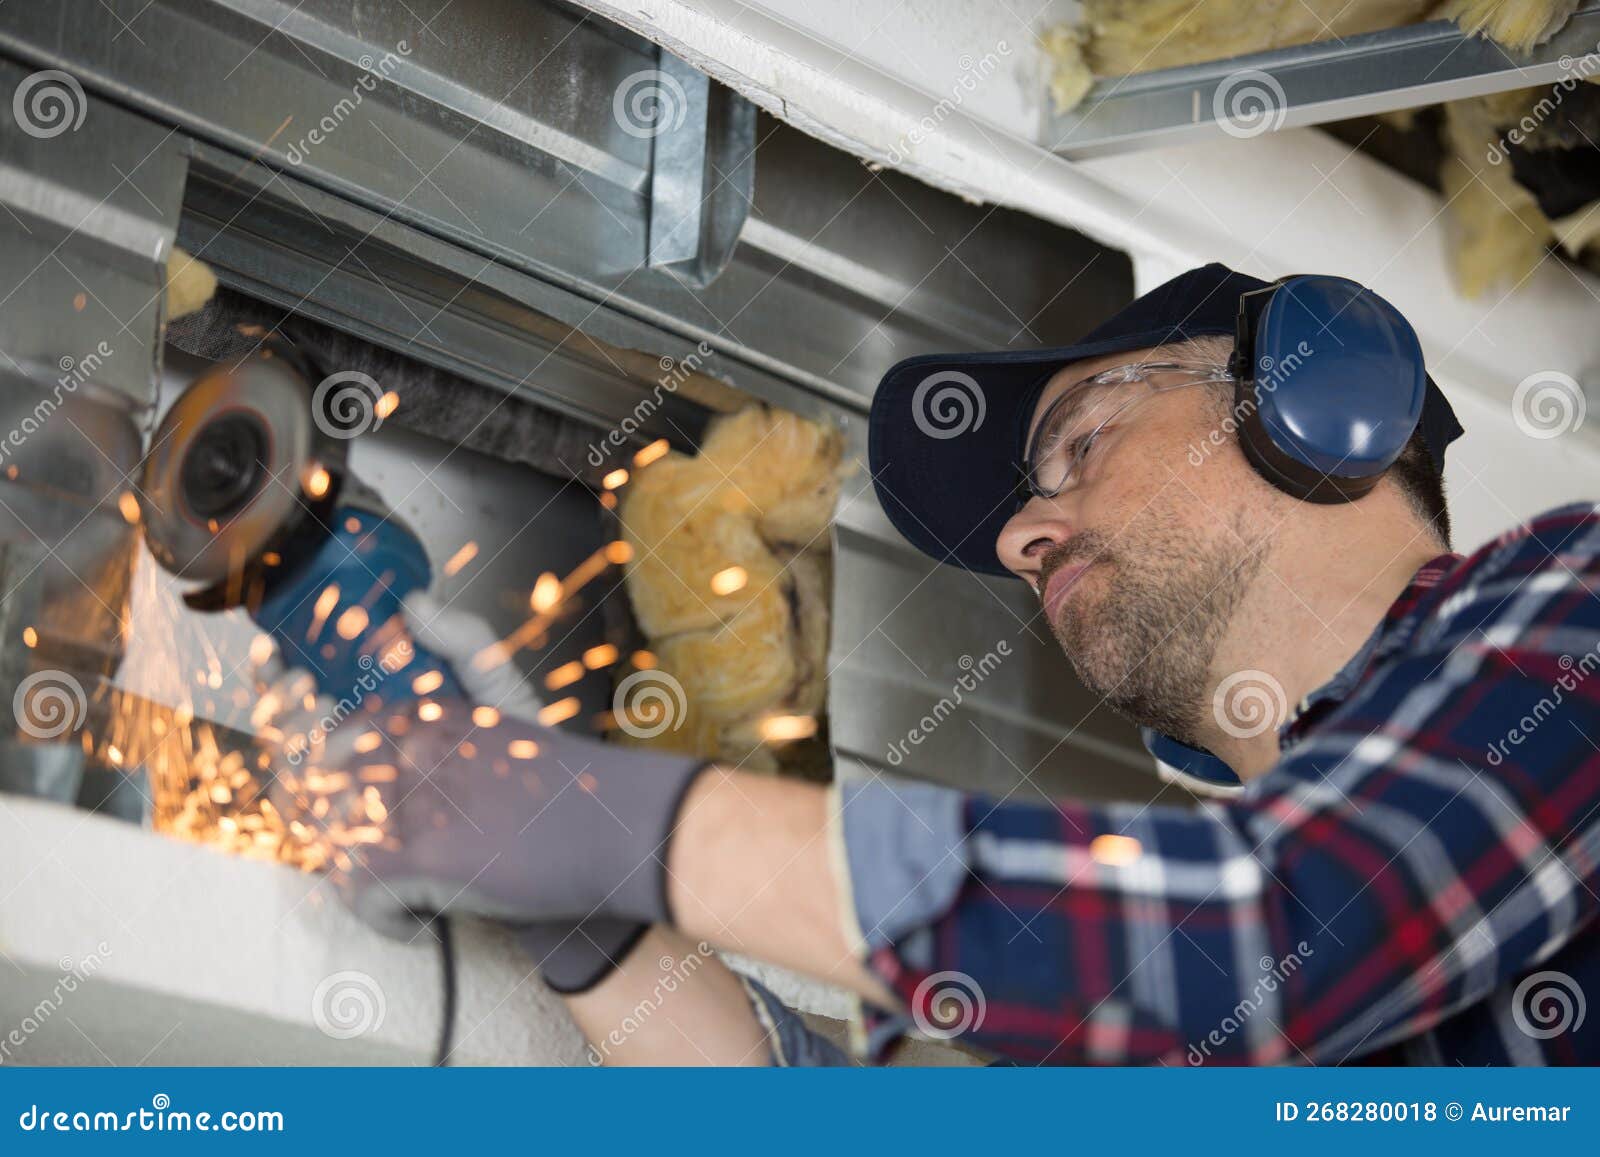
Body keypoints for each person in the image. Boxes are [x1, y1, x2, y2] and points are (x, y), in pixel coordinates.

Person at [284, 264, 1600, 1065]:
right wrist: (569, 906)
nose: (1024, 535)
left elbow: (1273, 932)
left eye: (1081, 441)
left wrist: (605, 821)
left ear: (1315, 398)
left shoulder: (1574, 600)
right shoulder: (1137, 1017)